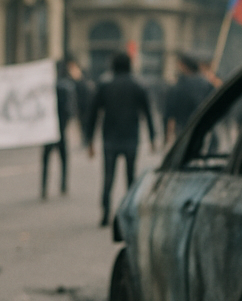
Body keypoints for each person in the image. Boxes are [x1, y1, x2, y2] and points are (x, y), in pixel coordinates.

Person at [85, 51, 156, 227]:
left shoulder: (104, 85)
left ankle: (105, 213)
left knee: (108, 177)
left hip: (109, 138)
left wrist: (90, 140)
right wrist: (153, 137)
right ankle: (130, 213)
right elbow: (148, 113)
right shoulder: (138, 85)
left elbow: (93, 113)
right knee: (130, 177)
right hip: (131, 137)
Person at [41, 58, 76, 199]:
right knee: (64, 159)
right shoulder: (65, 87)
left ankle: (44, 187)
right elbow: (69, 109)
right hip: (60, 129)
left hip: (47, 130)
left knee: (45, 160)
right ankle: (63, 185)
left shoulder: (46, 87)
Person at [163, 52, 214, 146]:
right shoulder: (206, 83)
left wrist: (166, 136)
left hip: (183, 128)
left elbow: (169, 112)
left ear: (183, 65)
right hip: (202, 127)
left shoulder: (178, 85)